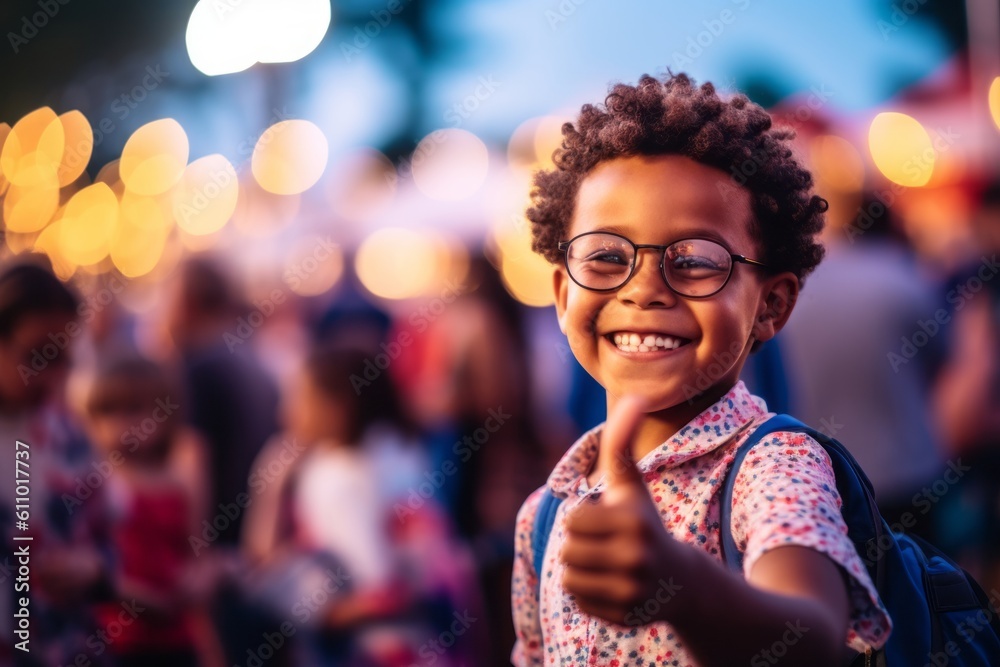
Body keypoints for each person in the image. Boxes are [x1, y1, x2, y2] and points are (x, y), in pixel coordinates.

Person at [511, 73, 891, 665]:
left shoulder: (772, 465)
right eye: (607, 256)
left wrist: (682, 586)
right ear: (562, 296)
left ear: (771, 304)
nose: (643, 289)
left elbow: (812, 637)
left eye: (693, 260)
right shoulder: (544, 514)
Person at [0, 256, 113, 666]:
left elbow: (111, 540)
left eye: (63, 358)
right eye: (36, 356)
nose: (52, 376)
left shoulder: (70, 437)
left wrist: (95, 569)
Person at [85, 356, 219, 667]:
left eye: (133, 410)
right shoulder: (96, 482)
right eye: (107, 411)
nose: (121, 424)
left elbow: (197, 553)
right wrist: (135, 597)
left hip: (175, 638)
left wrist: (202, 580)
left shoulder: (180, 483)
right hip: (115, 639)